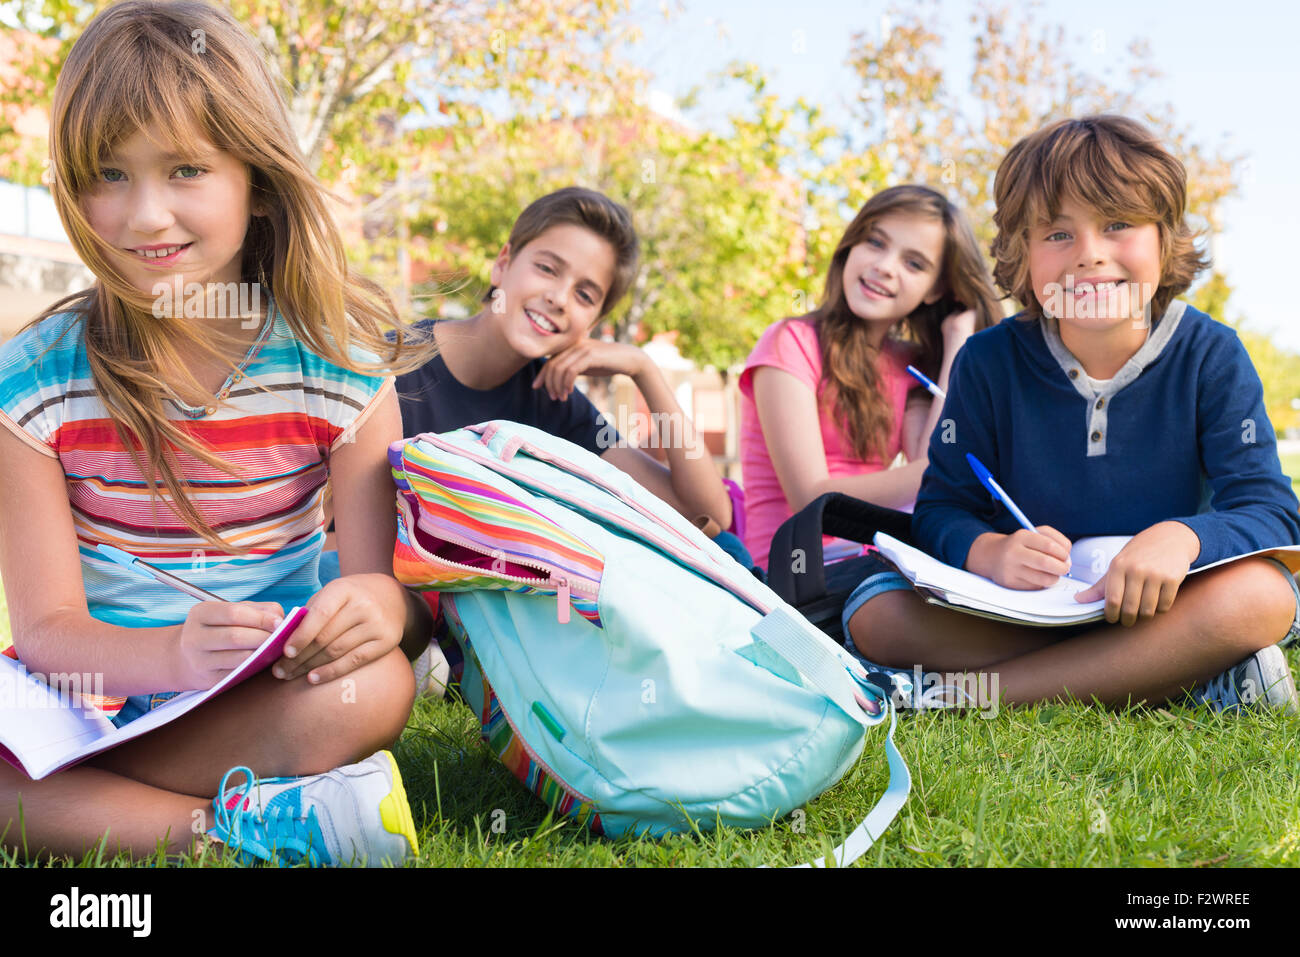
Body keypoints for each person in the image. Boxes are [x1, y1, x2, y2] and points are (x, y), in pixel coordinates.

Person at [0, 0, 444, 865]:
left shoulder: (339, 364)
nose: (145, 217)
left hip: (261, 691)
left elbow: (385, 589)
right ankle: (235, 828)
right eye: (109, 174)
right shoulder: (31, 381)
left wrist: (378, 609)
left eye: (186, 169)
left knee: (378, 684)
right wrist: (166, 652)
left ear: (256, 176)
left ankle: (97, 804)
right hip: (88, 695)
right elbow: (49, 628)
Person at [844, 115, 1300, 713]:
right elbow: (942, 508)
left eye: (1118, 224)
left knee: (1263, 596)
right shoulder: (988, 361)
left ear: (1165, 239)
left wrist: (1183, 536)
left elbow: (1272, 514)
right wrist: (990, 552)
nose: (1089, 256)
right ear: (1022, 252)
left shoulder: (1210, 353)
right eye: (1057, 234)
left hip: (1169, 602)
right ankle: (1178, 674)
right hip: (1030, 609)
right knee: (875, 613)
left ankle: (964, 695)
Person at [739, 185, 1001, 569]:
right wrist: (939, 469)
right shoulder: (790, 342)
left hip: (875, 563)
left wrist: (957, 341)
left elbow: (933, 472)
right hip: (792, 572)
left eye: (914, 264)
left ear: (937, 290)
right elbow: (811, 499)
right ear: (851, 246)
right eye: (875, 242)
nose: (885, 266)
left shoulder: (911, 365)